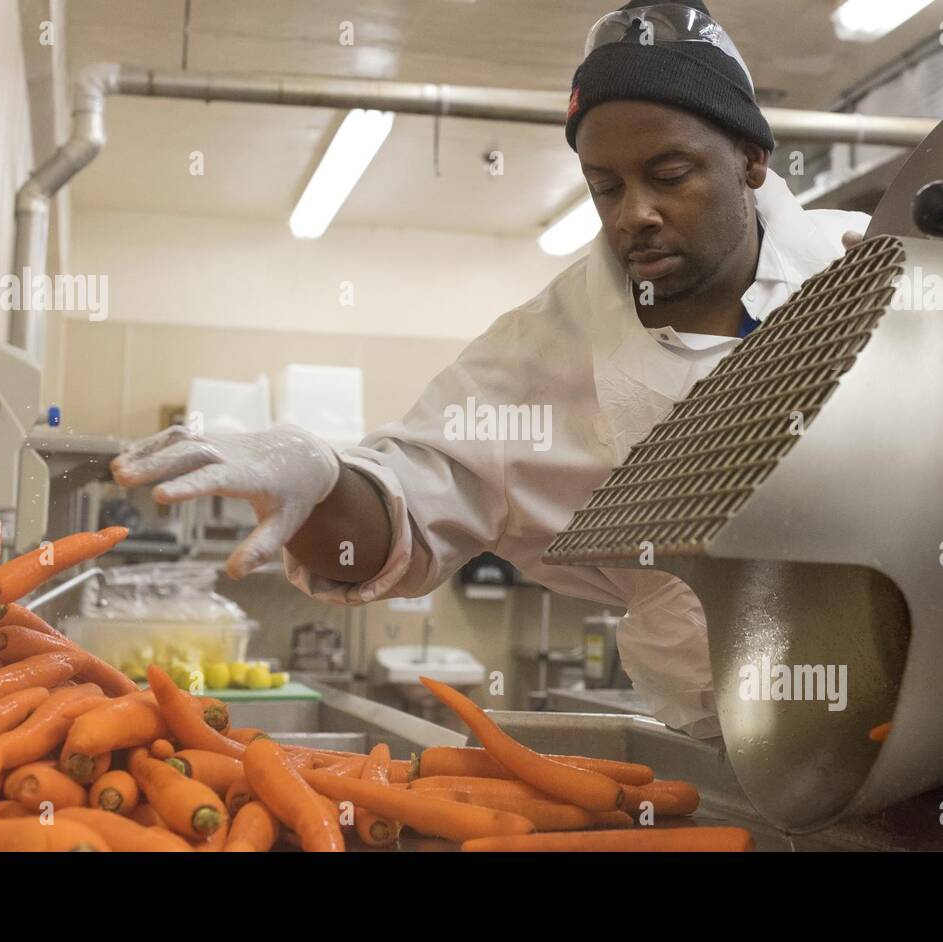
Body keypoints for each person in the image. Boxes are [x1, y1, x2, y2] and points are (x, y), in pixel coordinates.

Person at [111, 1, 871, 741]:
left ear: (751, 158)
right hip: (731, 735)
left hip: (939, 693)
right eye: (606, 187)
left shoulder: (873, 269)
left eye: (669, 175)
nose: (632, 213)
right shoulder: (540, 355)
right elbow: (402, 508)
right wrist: (320, 480)